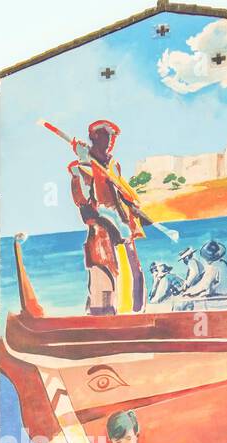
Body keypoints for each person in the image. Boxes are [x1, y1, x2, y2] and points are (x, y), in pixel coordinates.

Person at [67, 120, 147, 315]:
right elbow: (83, 201)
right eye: (105, 135)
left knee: (133, 275)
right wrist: (85, 162)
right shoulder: (82, 166)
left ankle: (136, 315)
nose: (110, 140)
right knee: (104, 275)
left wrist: (132, 210)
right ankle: (103, 316)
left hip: (123, 228)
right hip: (102, 230)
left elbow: (121, 194)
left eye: (112, 136)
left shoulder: (113, 166)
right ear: (93, 137)